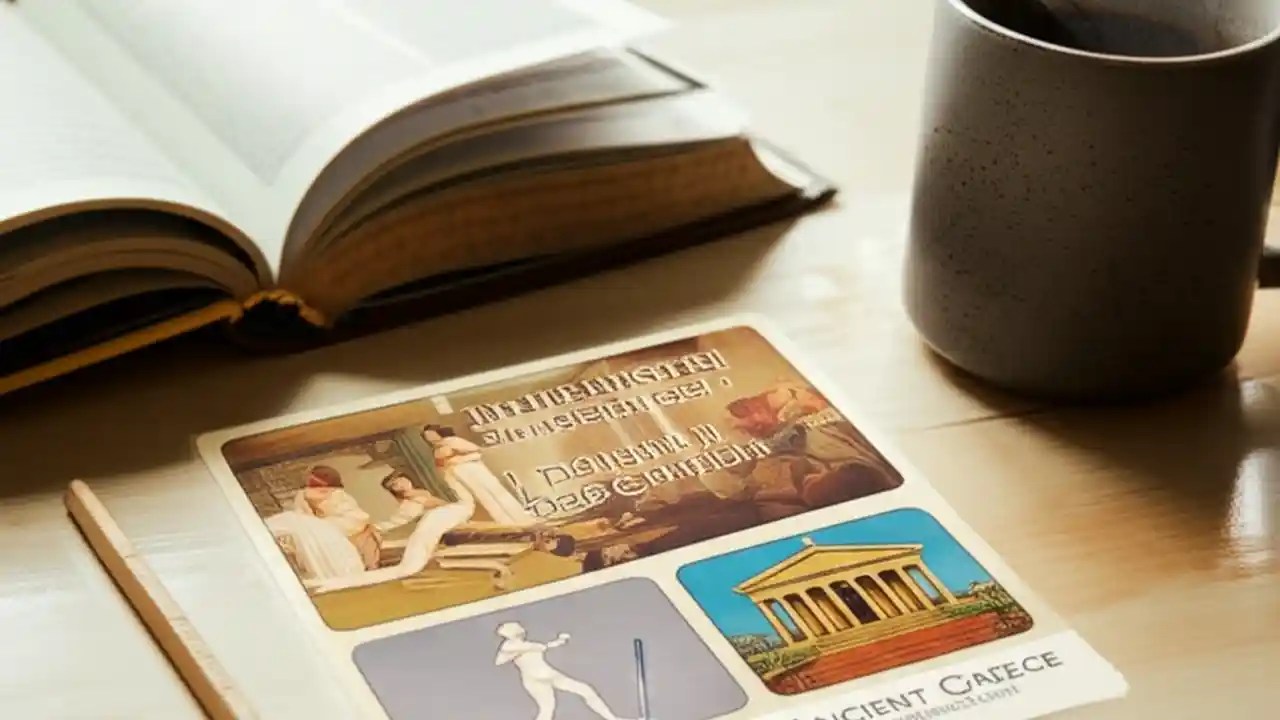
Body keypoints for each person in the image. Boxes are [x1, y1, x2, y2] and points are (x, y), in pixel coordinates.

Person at [493, 621, 629, 720]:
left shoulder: (522, 645)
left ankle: (612, 718)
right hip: (538, 678)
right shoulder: (511, 647)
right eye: (519, 628)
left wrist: (560, 641)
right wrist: (518, 651)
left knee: (582, 691)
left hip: (542, 675)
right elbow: (500, 660)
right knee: (549, 707)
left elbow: (545, 647)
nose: (522, 629)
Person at [423, 424, 537, 527]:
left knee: (497, 493)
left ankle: (522, 518)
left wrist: (459, 460)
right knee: (485, 498)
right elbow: (442, 466)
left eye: (431, 434)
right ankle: (506, 522)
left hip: (473, 470)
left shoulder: (452, 441)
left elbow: (477, 451)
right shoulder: (436, 449)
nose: (430, 438)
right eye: (427, 436)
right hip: (460, 475)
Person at [295, 465, 382, 570]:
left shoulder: (336, 495)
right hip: (327, 533)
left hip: (340, 531)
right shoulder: (307, 497)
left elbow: (355, 517)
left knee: (366, 536)